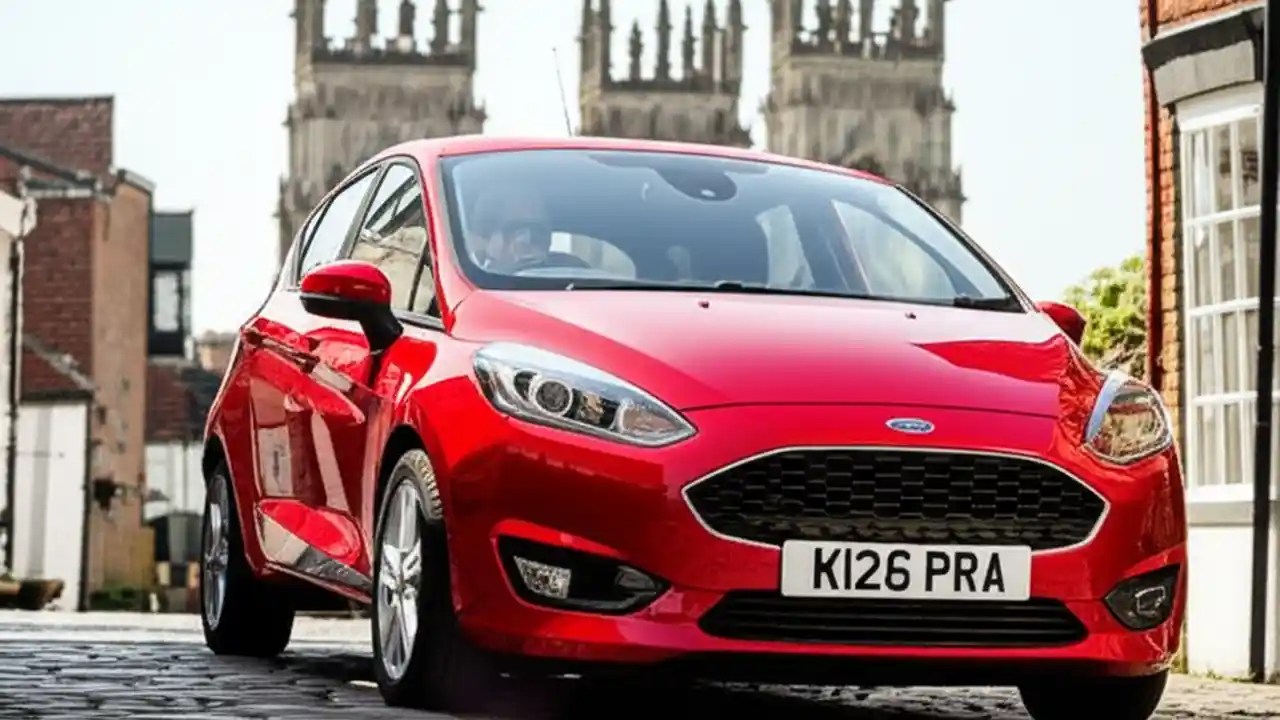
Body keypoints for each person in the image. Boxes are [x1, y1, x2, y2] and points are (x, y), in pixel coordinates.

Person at [465, 185, 553, 273]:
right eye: (518, 232)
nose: (526, 242)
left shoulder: (556, 274)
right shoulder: (469, 274)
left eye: (538, 234)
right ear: (490, 238)